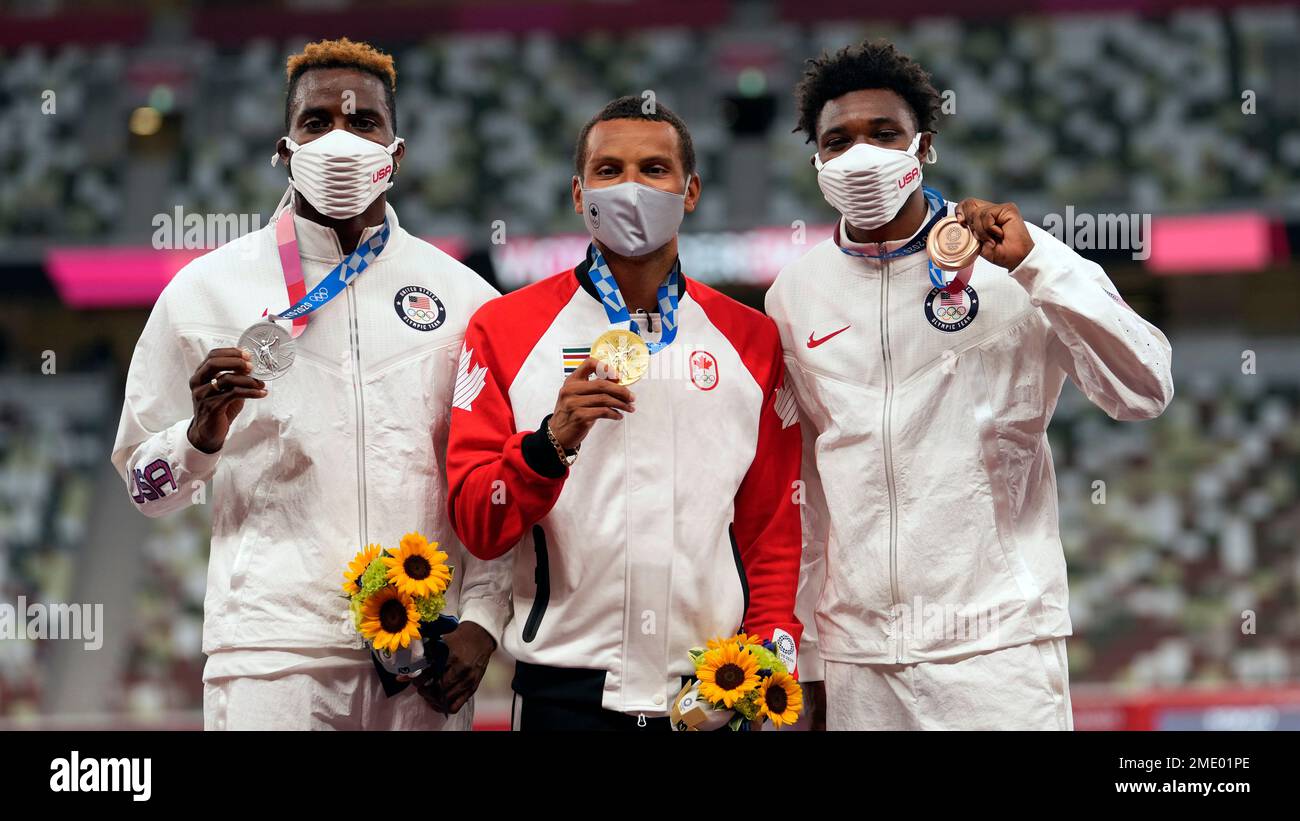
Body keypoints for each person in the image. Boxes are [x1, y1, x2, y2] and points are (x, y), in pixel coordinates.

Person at [766, 40, 1174, 730]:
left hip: (997, 650)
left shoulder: (1012, 258)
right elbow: (806, 485)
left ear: (922, 147)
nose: (860, 154)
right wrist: (808, 655)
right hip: (858, 657)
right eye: (838, 140)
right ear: (817, 161)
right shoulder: (794, 294)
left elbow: (1144, 387)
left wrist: (1041, 263)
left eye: (883, 133)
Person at [111, 38, 507, 730]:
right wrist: (199, 436)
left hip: (421, 653)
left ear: (397, 152)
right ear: (286, 149)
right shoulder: (204, 290)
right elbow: (144, 488)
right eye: (319, 122)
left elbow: (488, 479)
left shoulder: (466, 299)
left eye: (364, 123)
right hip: (269, 653)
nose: (342, 141)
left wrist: (482, 619)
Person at [445, 96, 804, 731]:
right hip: (563, 690)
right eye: (609, 171)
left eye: (654, 170)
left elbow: (770, 528)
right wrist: (548, 444)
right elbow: (478, 523)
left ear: (690, 191)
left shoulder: (751, 339)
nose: (631, 187)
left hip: (712, 690)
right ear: (579, 194)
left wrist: (773, 645)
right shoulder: (504, 328)